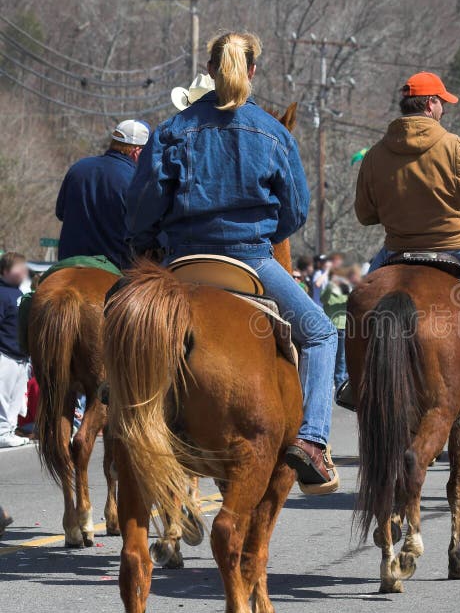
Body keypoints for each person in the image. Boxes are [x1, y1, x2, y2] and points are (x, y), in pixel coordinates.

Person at [125, 31, 339, 493]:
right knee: (321, 332)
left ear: (210, 67)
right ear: (253, 71)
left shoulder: (171, 130)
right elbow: (296, 209)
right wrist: (264, 235)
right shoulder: (273, 132)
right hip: (250, 259)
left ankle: (115, 386)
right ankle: (313, 442)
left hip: (182, 262)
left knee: (120, 317)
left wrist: (146, 244)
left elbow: (144, 201)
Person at [353, 72, 460, 414]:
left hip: (395, 249)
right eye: (442, 102)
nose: (443, 108)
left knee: (359, 304)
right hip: (454, 245)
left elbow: (365, 214)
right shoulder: (457, 147)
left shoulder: (375, 154)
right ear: (430, 104)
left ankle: (355, 379)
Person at [56, 120, 150, 269]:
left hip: (67, 263)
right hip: (116, 266)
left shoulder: (77, 168)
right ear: (137, 151)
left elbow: (60, 213)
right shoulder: (136, 180)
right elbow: (143, 231)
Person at [0, 252, 31, 448]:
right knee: (2, 396)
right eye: (16, 268)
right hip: (5, 354)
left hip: (21, 356)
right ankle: (2, 432)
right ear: (4, 271)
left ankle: (9, 430)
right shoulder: (2, 294)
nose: (22, 271)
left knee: (16, 397)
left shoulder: (19, 293)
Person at [322, 265, 361, 389]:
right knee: (330, 356)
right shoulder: (329, 289)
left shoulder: (347, 290)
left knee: (342, 357)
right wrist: (332, 285)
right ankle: (331, 381)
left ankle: (339, 382)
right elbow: (324, 299)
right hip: (331, 328)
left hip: (344, 327)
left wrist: (348, 286)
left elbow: (353, 300)